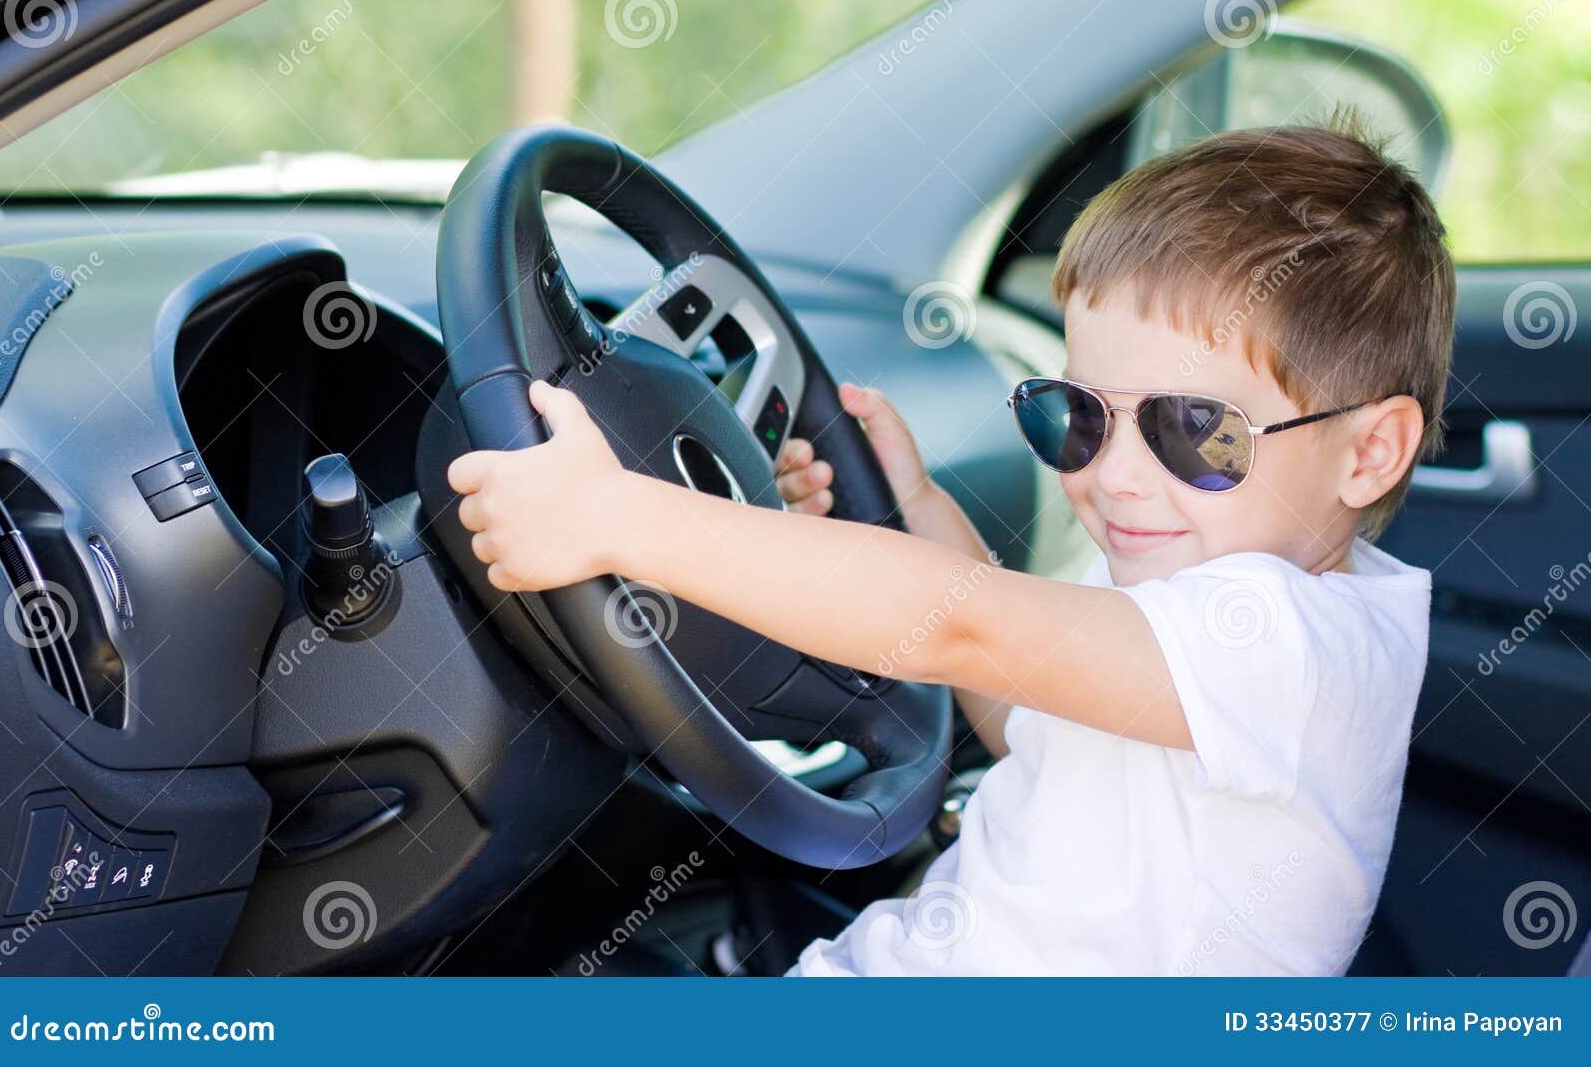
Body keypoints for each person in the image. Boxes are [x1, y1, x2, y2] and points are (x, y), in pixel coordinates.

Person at [448, 118, 1456, 975]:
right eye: (1078, 415)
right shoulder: (1211, 577)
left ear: (1369, 451)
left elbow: (963, 630)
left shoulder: (1282, 645)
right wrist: (918, 506)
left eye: (1194, 428)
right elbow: (1028, 709)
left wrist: (615, 516)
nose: (1112, 475)